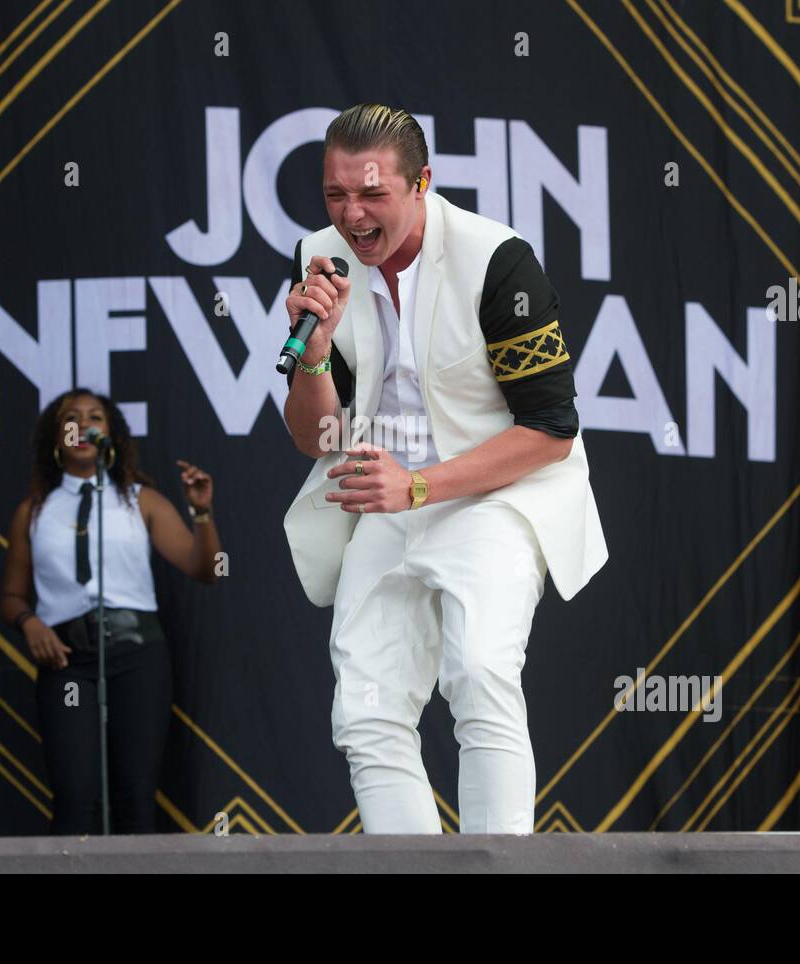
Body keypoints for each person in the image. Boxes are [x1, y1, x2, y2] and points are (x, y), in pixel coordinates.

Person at [282, 103, 609, 834]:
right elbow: (316, 437)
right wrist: (311, 352)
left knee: (480, 676)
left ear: (422, 182)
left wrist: (420, 485)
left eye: (373, 195)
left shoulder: (498, 260)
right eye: (336, 194)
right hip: (387, 499)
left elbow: (551, 431)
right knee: (364, 710)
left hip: (495, 493)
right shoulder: (320, 258)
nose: (352, 214)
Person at [0, 388, 221, 834]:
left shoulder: (140, 501)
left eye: (95, 417)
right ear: (54, 438)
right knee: (75, 793)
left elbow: (204, 569)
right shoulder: (34, 512)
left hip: (137, 656)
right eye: (72, 418)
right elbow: (11, 597)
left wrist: (202, 513)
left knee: (135, 792)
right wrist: (30, 623)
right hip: (66, 660)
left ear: (111, 434)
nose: (83, 425)